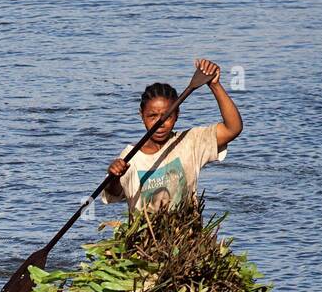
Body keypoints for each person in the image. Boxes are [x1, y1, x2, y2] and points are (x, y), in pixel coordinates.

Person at [101, 59, 242, 213]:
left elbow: (232, 128)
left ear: (177, 115)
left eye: (166, 117)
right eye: (152, 116)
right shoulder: (130, 156)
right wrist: (113, 176)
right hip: (144, 235)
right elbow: (113, 193)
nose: (159, 124)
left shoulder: (191, 141)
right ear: (142, 115)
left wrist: (214, 85)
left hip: (186, 232)